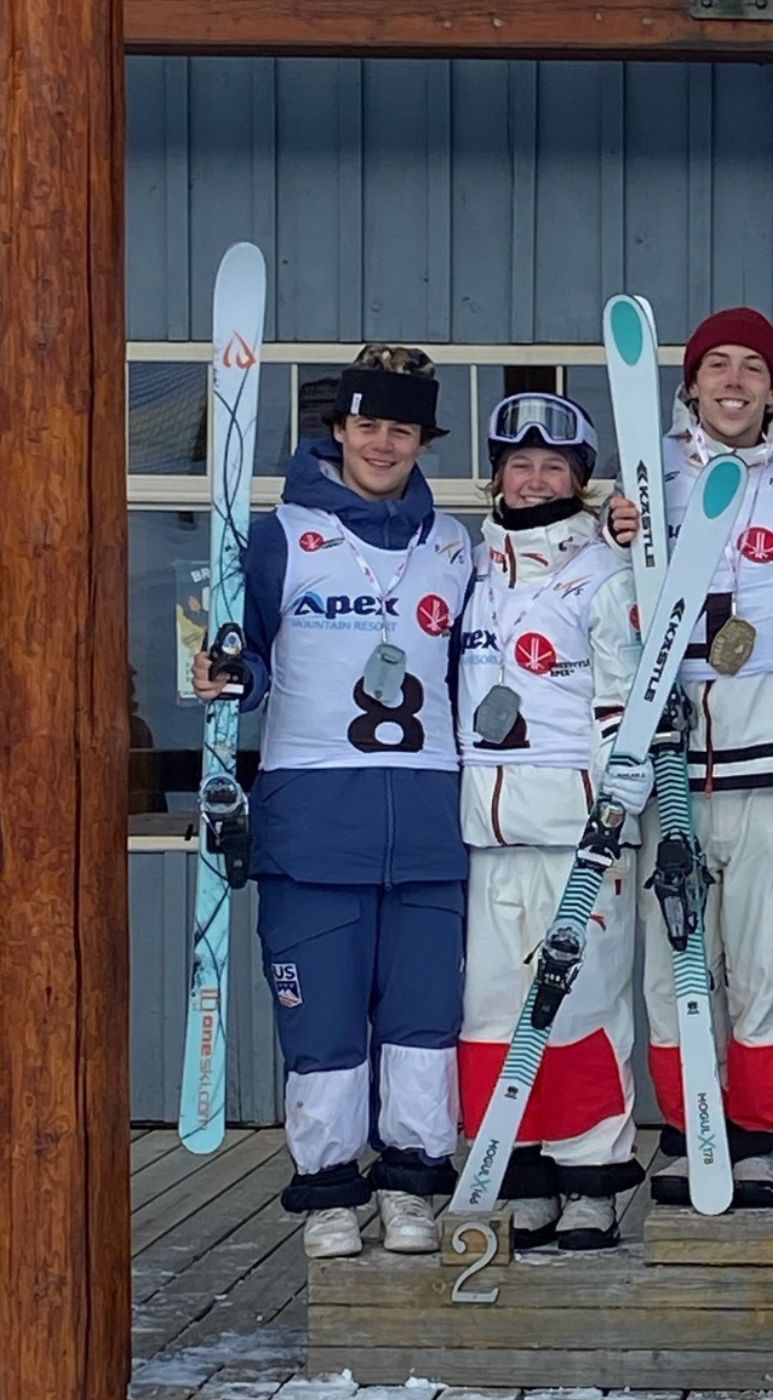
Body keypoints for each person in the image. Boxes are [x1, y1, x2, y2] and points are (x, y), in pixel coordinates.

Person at [191, 345, 473, 1259]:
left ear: (422, 440)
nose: (383, 444)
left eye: (401, 429)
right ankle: (328, 1192)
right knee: (324, 1021)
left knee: (423, 1020)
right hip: (315, 821)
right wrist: (228, 675)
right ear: (338, 430)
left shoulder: (453, 545)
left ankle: (413, 1184)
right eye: (367, 426)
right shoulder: (279, 534)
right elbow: (252, 653)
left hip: (431, 819)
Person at [607, 307, 773, 1207]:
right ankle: (689, 1120)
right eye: (718, 367)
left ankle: (766, 1133)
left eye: (752, 368)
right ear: (691, 382)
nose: (735, 383)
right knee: (675, 957)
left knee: (768, 953)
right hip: (669, 753)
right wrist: (613, 529)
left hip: (772, 757)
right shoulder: (644, 474)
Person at [454, 392, 654, 1249]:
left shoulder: (604, 575)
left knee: (580, 1006)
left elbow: (625, 705)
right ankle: (521, 1164)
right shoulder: (469, 567)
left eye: (555, 468)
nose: (535, 480)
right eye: (520, 464)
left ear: (579, 479)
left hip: (580, 832)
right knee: (493, 1009)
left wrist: (617, 802)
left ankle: (591, 1178)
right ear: (498, 473)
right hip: (489, 829)